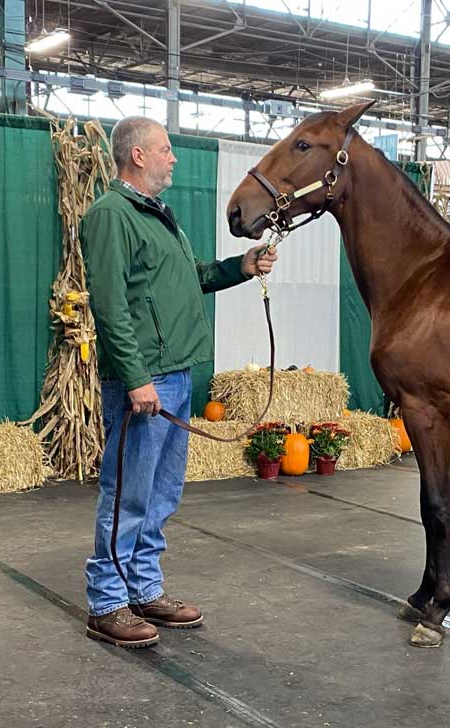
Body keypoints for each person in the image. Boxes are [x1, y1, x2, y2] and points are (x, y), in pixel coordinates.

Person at [82, 116, 278, 647]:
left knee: (161, 493)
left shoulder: (156, 215)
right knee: (128, 492)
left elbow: (191, 275)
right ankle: (107, 603)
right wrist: (135, 377)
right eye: (166, 150)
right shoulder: (110, 215)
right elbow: (110, 305)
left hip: (177, 371)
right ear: (138, 156)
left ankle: (144, 589)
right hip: (144, 382)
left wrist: (244, 265)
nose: (173, 158)